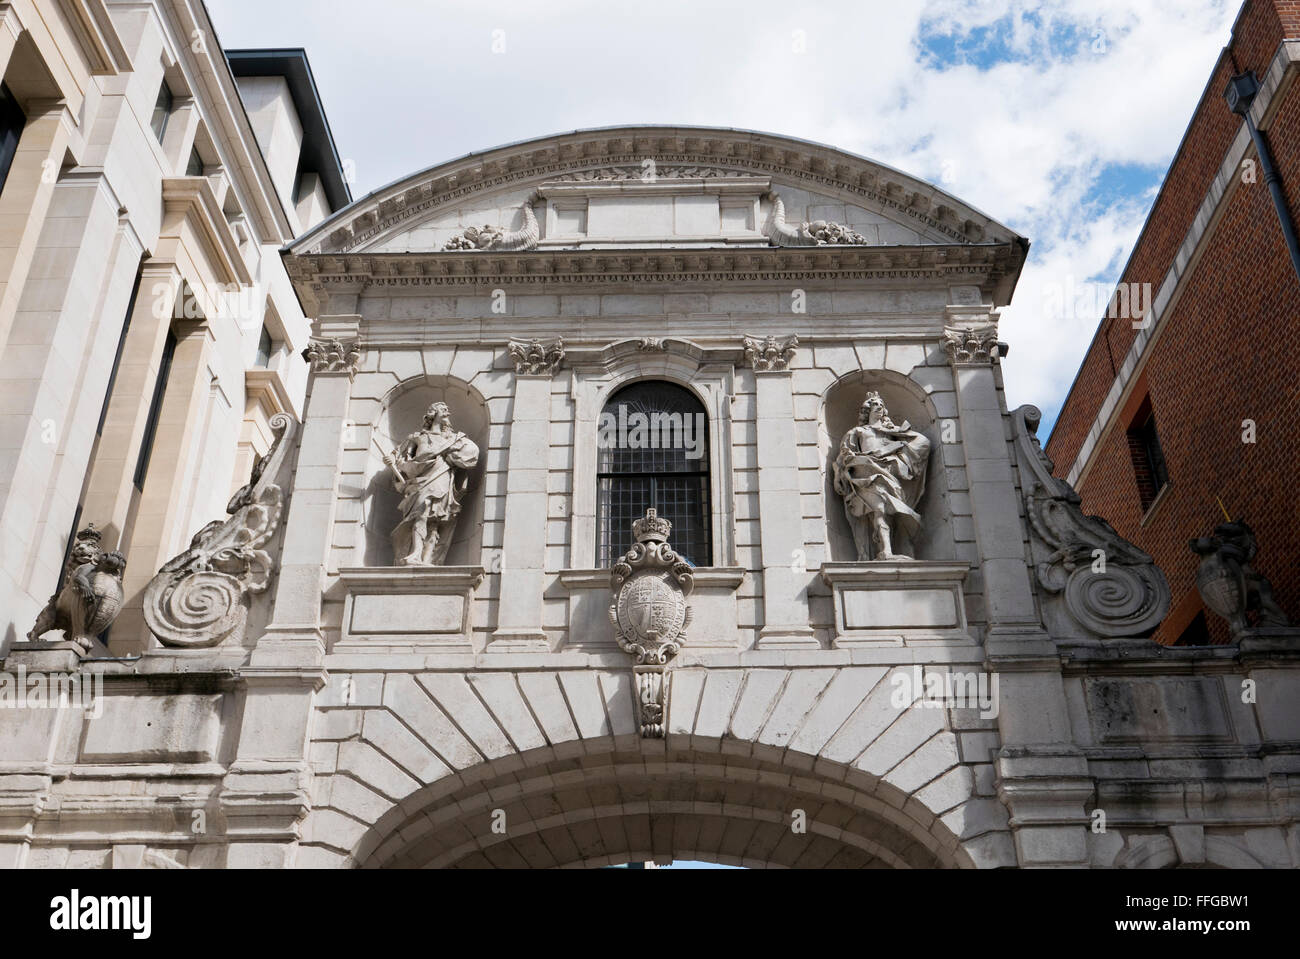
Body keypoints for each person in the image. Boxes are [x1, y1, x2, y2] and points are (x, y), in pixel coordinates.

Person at [833, 392, 931, 560]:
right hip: (866, 474)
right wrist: (837, 476)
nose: (879, 407)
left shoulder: (891, 433)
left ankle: (891, 549)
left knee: (890, 511)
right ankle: (886, 551)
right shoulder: (857, 431)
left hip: (889, 473)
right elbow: (843, 457)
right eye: (875, 405)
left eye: (881, 405)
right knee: (879, 510)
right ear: (867, 411)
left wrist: (899, 454)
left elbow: (923, 442)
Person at [384, 402, 479, 566]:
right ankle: (415, 554)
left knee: (432, 519)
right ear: (433, 413)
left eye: (447, 409)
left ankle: (427, 559)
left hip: (441, 478)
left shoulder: (453, 439)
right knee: (420, 513)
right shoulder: (416, 437)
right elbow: (400, 460)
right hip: (419, 483)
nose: (447, 411)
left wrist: (452, 455)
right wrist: (391, 460)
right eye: (443, 409)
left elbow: (472, 456)